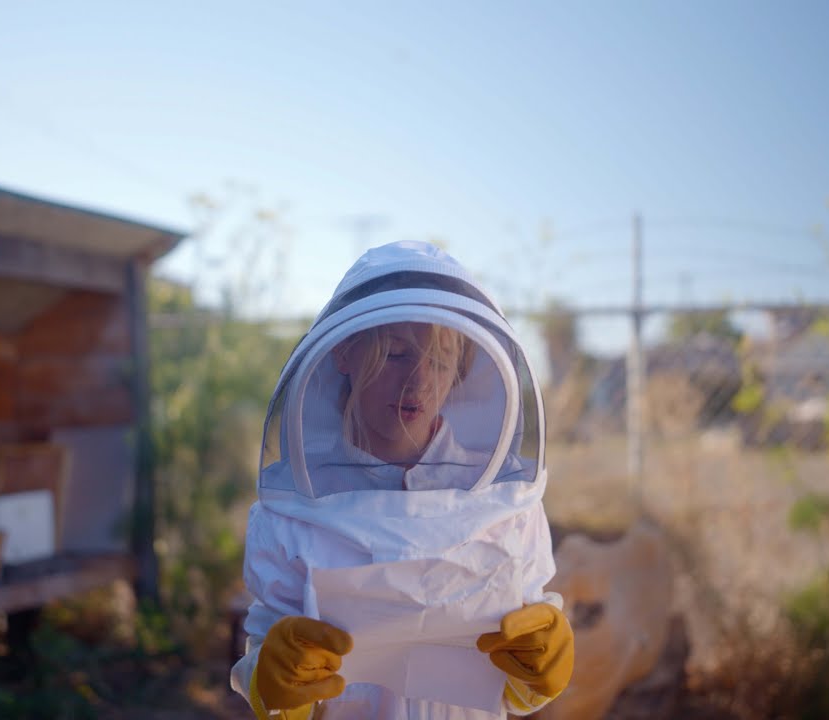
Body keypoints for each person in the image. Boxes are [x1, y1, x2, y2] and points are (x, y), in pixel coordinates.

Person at [230, 241, 573, 719]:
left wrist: (535, 676)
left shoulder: (506, 502)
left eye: (439, 360)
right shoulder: (293, 509)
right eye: (395, 354)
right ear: (345, 352)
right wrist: (274, 685)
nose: (418, 381)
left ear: (461, 370)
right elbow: (265, 656)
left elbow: (520, 661)